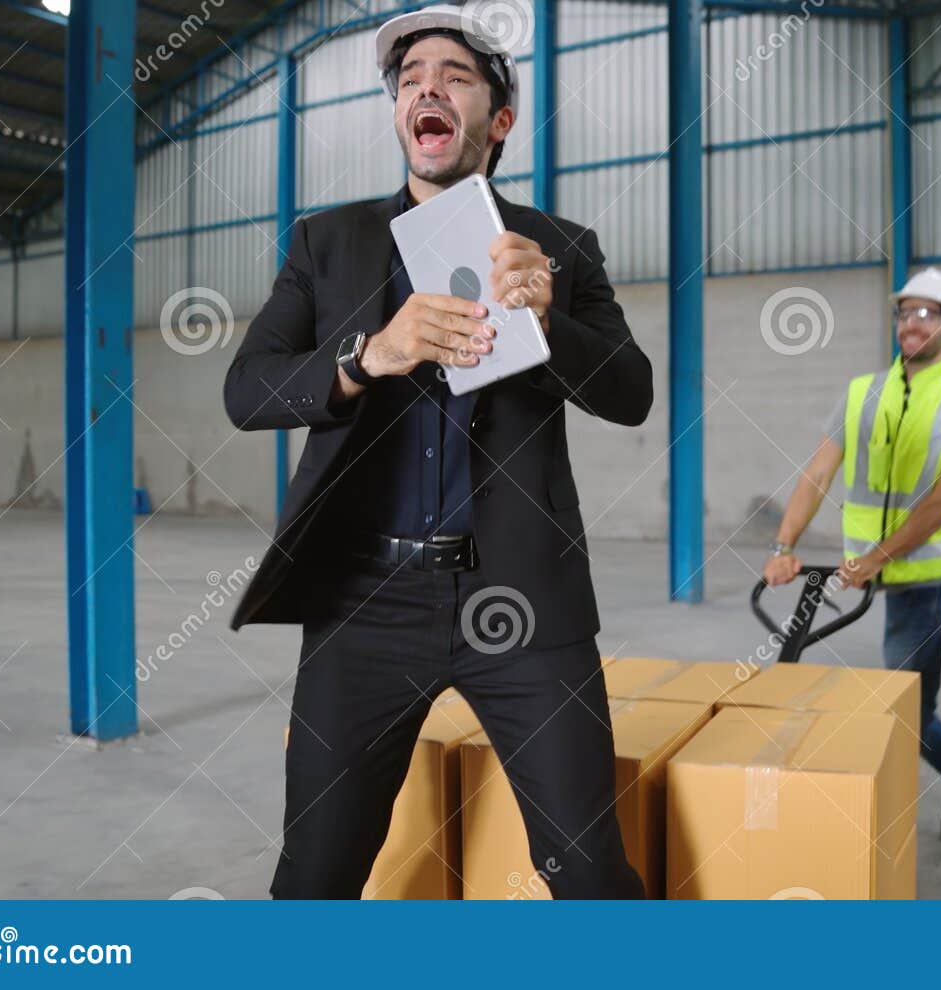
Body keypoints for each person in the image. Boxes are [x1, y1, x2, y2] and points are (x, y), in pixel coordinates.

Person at [222, 5, 652, 899]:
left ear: (497, 121)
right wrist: (367, 356)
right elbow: (248, 390)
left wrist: (549, 319)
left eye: (455, 75)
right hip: (364, 600)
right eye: (411, 77)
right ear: (398, 116)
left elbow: (631, 392)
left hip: (522, 598)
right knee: (316, 876)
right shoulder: (327, 242)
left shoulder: (561, 251)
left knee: (590, 872)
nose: (427, 85)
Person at [762, 268, 941, 899]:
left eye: (929, 313)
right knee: (906, 718)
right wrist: (784, 545)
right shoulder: (859, 394)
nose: (912, 322)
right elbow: (818, 473)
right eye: (904, 312)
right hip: (902, 593)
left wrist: (876, 556)